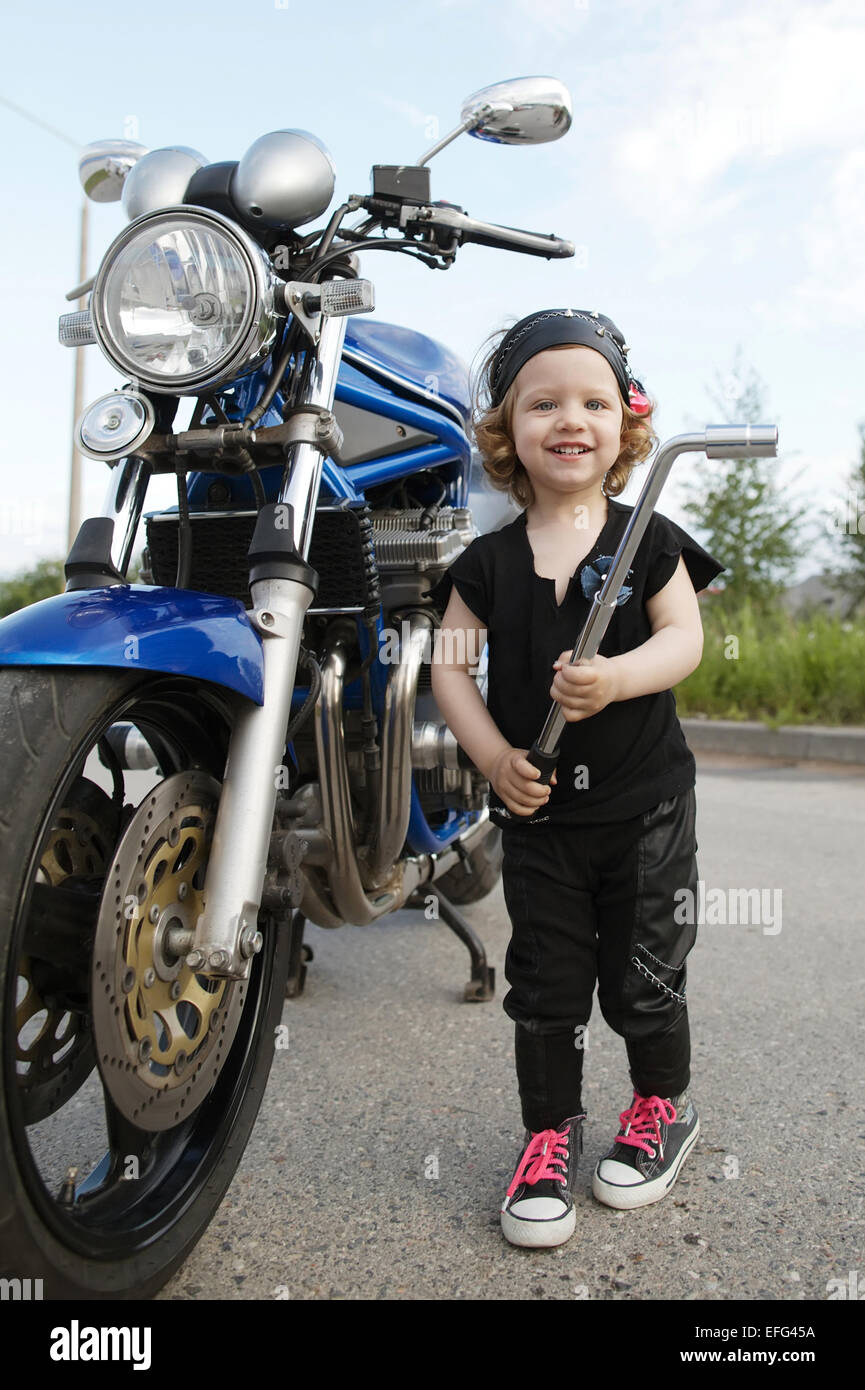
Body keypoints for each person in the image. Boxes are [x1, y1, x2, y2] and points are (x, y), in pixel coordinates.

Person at [429, 308, 725, 1248]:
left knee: (641, 976)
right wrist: (492, 759)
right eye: (542, 401)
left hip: (645, 813)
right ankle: (547, 1135)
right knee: (547, 986)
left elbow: (683, 639)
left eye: (593, 401)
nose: (570, 418)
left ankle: (658, 1110)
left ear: (626, 426)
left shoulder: (649, 540)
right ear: (506, 432)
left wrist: (617, 677)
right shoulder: (481, 565)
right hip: (541, 822)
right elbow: (448, 670)